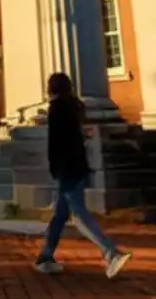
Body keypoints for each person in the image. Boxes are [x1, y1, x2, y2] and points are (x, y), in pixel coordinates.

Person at [35, 73, 131, 279]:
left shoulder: (57, 110)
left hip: (66, 168)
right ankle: (45, 257)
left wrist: (55, 168)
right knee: (60, 214)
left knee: (78, 214)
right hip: (78, 166)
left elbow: (55, 144)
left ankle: (111, 253)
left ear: (51, 89)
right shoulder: (75, 108)